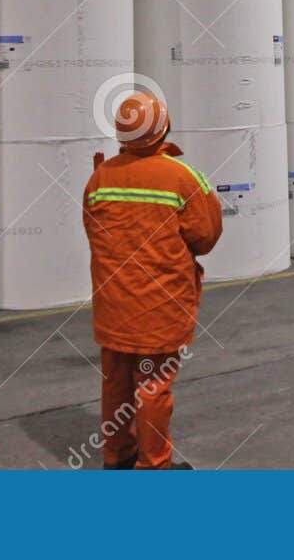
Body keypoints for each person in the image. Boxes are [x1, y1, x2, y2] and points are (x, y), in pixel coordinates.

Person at [82, 88, 222, 470]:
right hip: (160, 309)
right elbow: (205, 237)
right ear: (164, 128)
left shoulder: (100, 178)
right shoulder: (182, 178)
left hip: (113, 307)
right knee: (153, 387)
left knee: (115, 383)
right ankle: (155, 467)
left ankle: (118, 457)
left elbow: (93, 232)